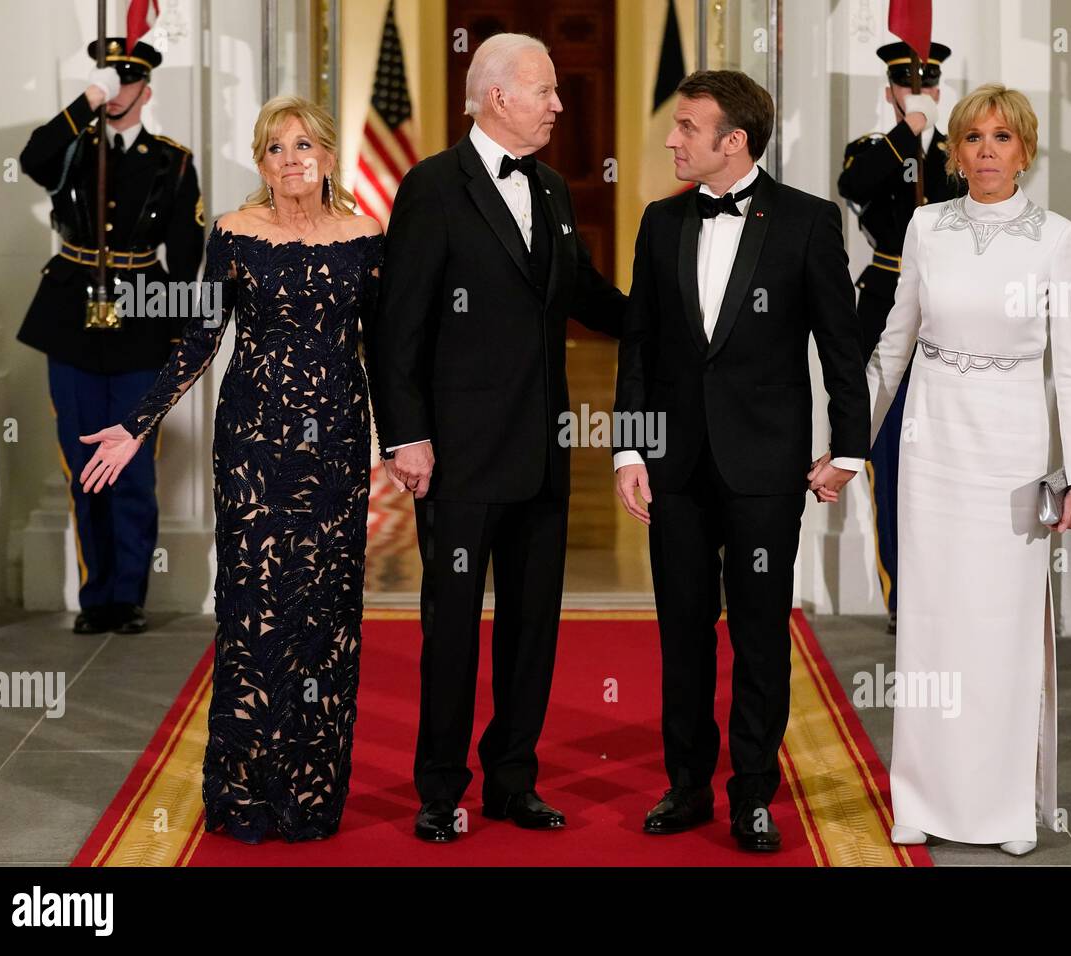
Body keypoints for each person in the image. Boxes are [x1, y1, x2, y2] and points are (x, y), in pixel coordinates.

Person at [77, 96, 384, 844]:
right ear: (260, 162)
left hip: (336, 449)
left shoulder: (369, 236)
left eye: (304, 145)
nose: (291, 159)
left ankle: (309, 792)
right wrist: (135, 423)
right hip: (253, 449)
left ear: (329, 155)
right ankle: (246, 794)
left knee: (324, 616)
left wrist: (409, 440)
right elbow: (199, 341)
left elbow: (391, 349)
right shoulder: (237, 235)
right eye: (275, 148)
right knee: (254, 615)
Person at [365, 33, 625, 843]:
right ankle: (440, 790)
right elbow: (395, 326)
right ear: (498, 96)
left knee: (532, 624)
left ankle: (514, 778)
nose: (558, 104)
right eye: (545, 91)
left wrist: (677, 318)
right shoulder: (431, 186)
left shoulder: (550, 188)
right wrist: (405, 436)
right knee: (451, 627)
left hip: (543, 450)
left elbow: (583, 291)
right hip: (459, 456)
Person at [613, 70, 870, 852]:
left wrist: (851, 449)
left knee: (759, 632)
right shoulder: (659, 222)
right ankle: (686, 784)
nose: (671, 139)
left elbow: (840, 347)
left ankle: (753, 793)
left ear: (735, 140)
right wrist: (631, 446)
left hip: (767, 468)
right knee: (682, 632)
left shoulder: (807, 221)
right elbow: (641, 346)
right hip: (677, 466)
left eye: (688, 127)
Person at [849, 84, 1071, 855]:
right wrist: (850, 441)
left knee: (1003, 629)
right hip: (933, 445)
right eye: (973, 139)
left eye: (1002, 138)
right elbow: (894, 344)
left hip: (1013, 452)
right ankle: (920, 798)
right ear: (954, 152)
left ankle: (1001, 811)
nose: (987, 153)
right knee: (929, 626)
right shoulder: (926, 226)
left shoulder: (1059, 236)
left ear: (1025, 149)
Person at [17, 38, 203, 635]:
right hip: (70, 319)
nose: (118, 92)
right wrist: (87, 99)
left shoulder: (172, 159)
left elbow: (187, 253)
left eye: (128, 84)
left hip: (141, 322)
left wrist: (178, 330)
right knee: (81, 464)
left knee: (131, 467)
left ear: (146, 92)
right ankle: (95, 596)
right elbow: (32, 159)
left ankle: (128, 597)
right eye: (110, 82)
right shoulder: (74, 146)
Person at [838, 41, 956, 634]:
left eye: (928, 87)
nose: (921, 95)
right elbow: (856, 185)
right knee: (887, 457)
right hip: (885, 307)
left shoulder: (962, 155)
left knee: (946, 460)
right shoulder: (873, 151)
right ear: (890, 93)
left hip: (948, 314)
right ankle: (902, 593)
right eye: (908, 87)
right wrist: (907, 132)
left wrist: (930, 140)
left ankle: (946, 588)